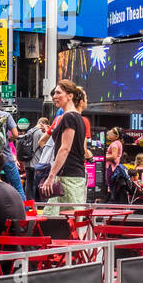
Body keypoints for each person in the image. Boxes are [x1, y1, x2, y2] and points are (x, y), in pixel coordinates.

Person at [42, 79, 87, 214]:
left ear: (70, 96)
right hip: (73, 177)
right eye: (54, 93)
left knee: (58, 221)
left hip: (67, 178)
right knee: (70, 222)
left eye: (58, 93)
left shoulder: (69, 118)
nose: (54, 96)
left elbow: (65, 148)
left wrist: (51, 176)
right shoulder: (78, 118)